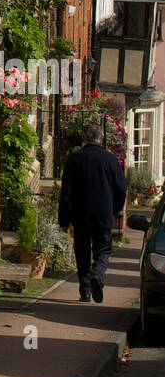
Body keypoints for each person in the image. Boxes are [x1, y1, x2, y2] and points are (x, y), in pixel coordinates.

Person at [59, 123, 127, 302]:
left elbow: (66, 192)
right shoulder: (111, 160)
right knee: (103, 251)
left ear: (84, 137)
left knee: (82, 254)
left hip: (80, 216)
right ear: (102, 136)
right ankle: (97, 272)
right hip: (103, 215)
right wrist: (114, 210)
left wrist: (64, 220)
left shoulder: (74, 159)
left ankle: (85, 290)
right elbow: (121, 190)